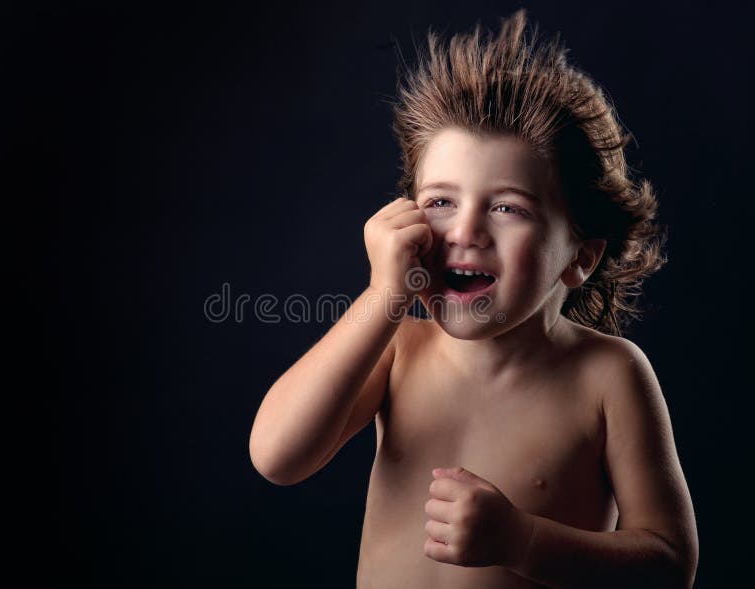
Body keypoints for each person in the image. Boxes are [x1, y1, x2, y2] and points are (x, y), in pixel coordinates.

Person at [249, 8, 698, 588]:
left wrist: (523, 540)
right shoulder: (400, 350)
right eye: (439, 202)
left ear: (580, 257)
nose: (464, 231)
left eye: (507, 207)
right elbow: (277, 457)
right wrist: (384, 295)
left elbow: (669, 564)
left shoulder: (608, 376)